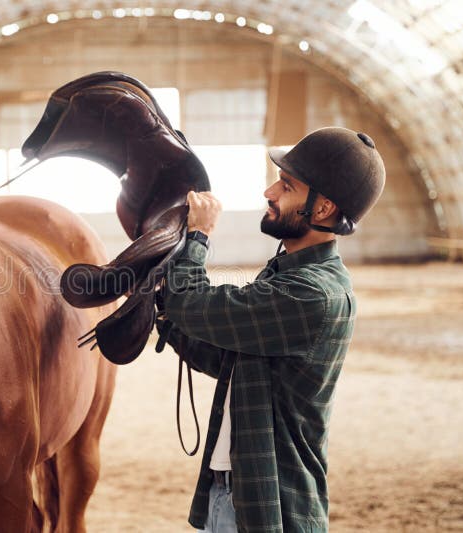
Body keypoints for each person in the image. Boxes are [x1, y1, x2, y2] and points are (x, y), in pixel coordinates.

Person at [157, 127, 386, 532]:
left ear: (322, 209)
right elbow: (228, 357)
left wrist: (199, 234)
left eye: (286, 185)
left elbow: (190, 303)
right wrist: (160, 320)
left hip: (267, 509)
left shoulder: (310, 294)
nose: (269, 192)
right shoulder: (289, 275)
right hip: (232, 493)